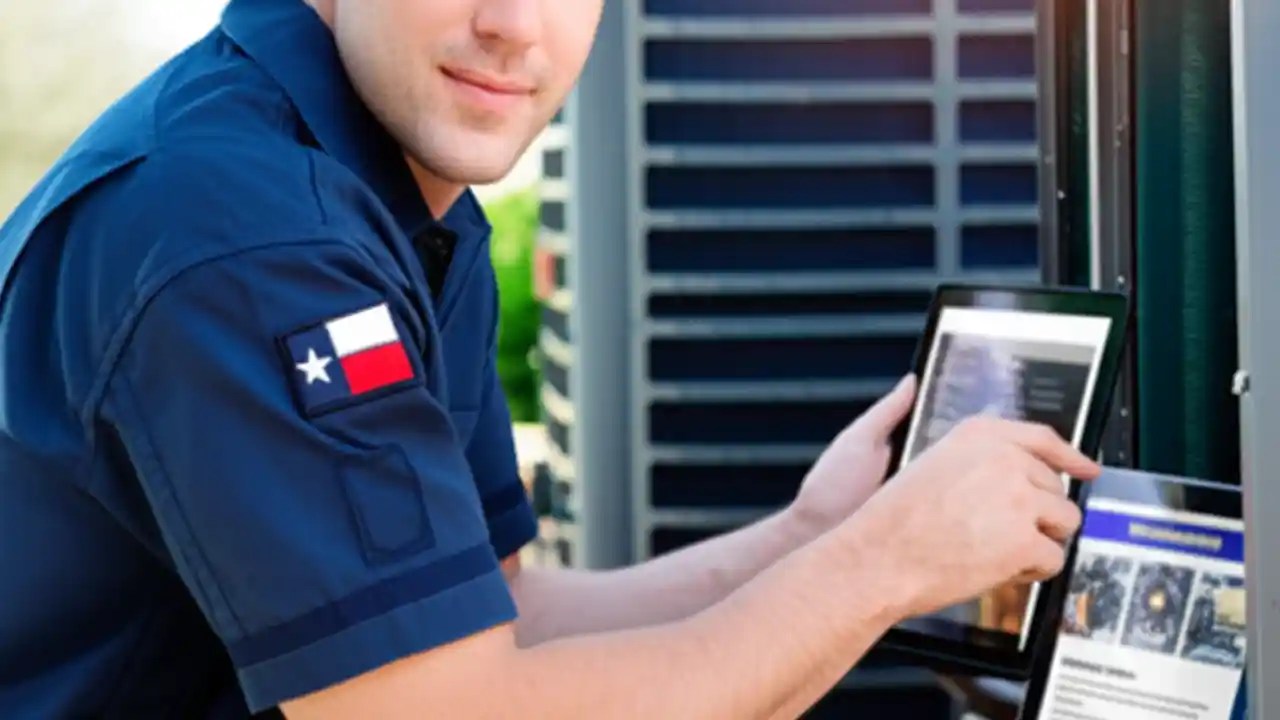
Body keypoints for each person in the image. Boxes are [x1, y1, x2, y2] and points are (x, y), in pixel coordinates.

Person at [0, 1, 1099, 718]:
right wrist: (881, 567)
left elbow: (495, 619)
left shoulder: (394, 190)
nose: (513, 25)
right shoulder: (248, 235)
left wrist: (813, 536)